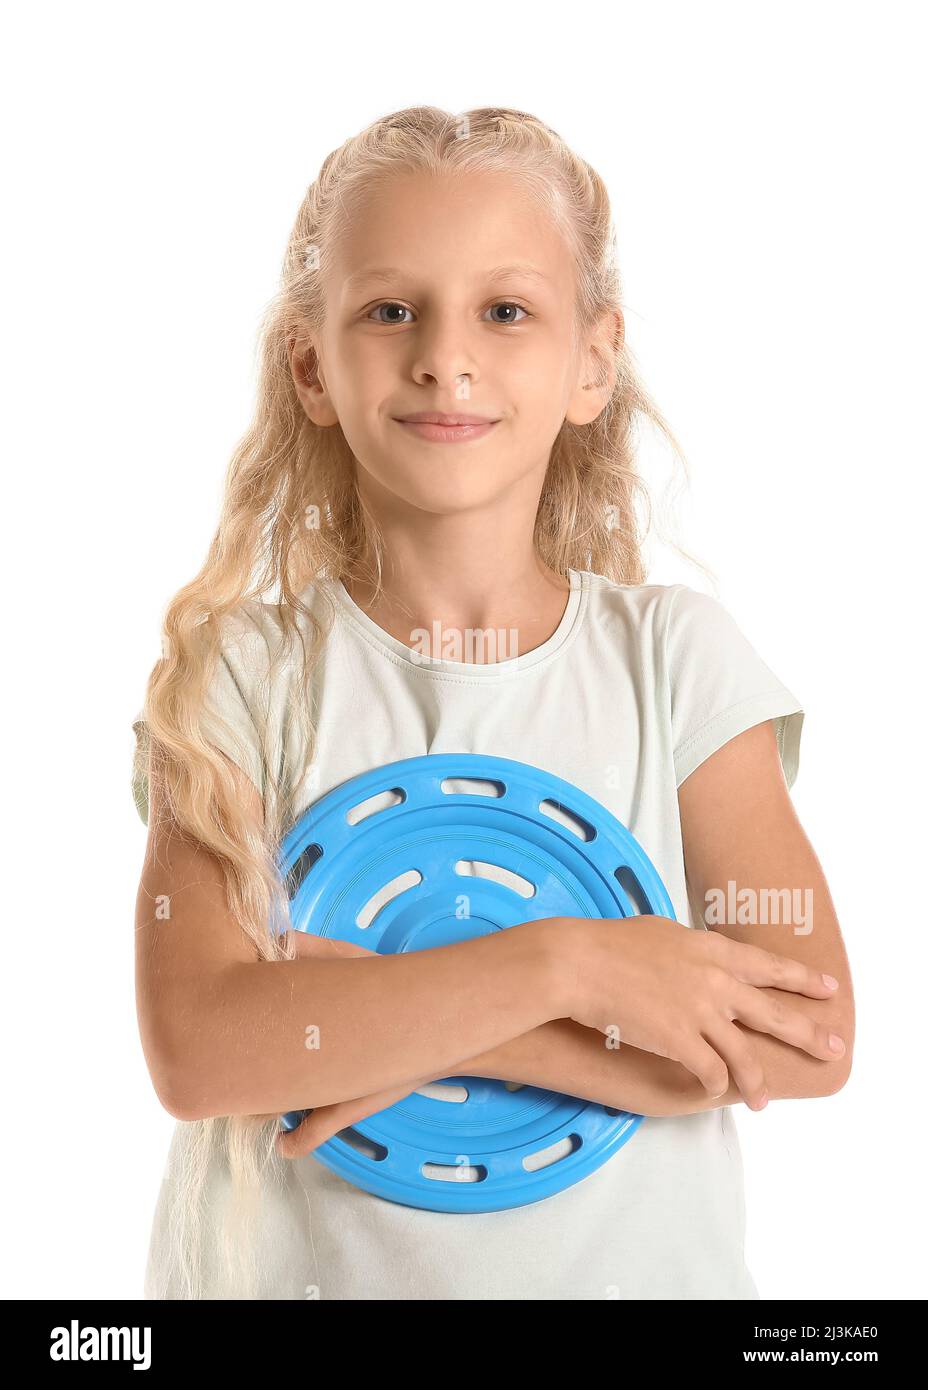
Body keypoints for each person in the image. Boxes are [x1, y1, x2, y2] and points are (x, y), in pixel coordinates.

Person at [130, 105, 854, 1300]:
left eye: (505, 310)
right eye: (388, 310)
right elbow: (203, 1050)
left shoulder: (674, 662)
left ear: (592, 360)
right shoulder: (239, 679)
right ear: (312, 365)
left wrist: (359, 1013)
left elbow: (804, 1036)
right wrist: (573, 966)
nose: (442, 356)